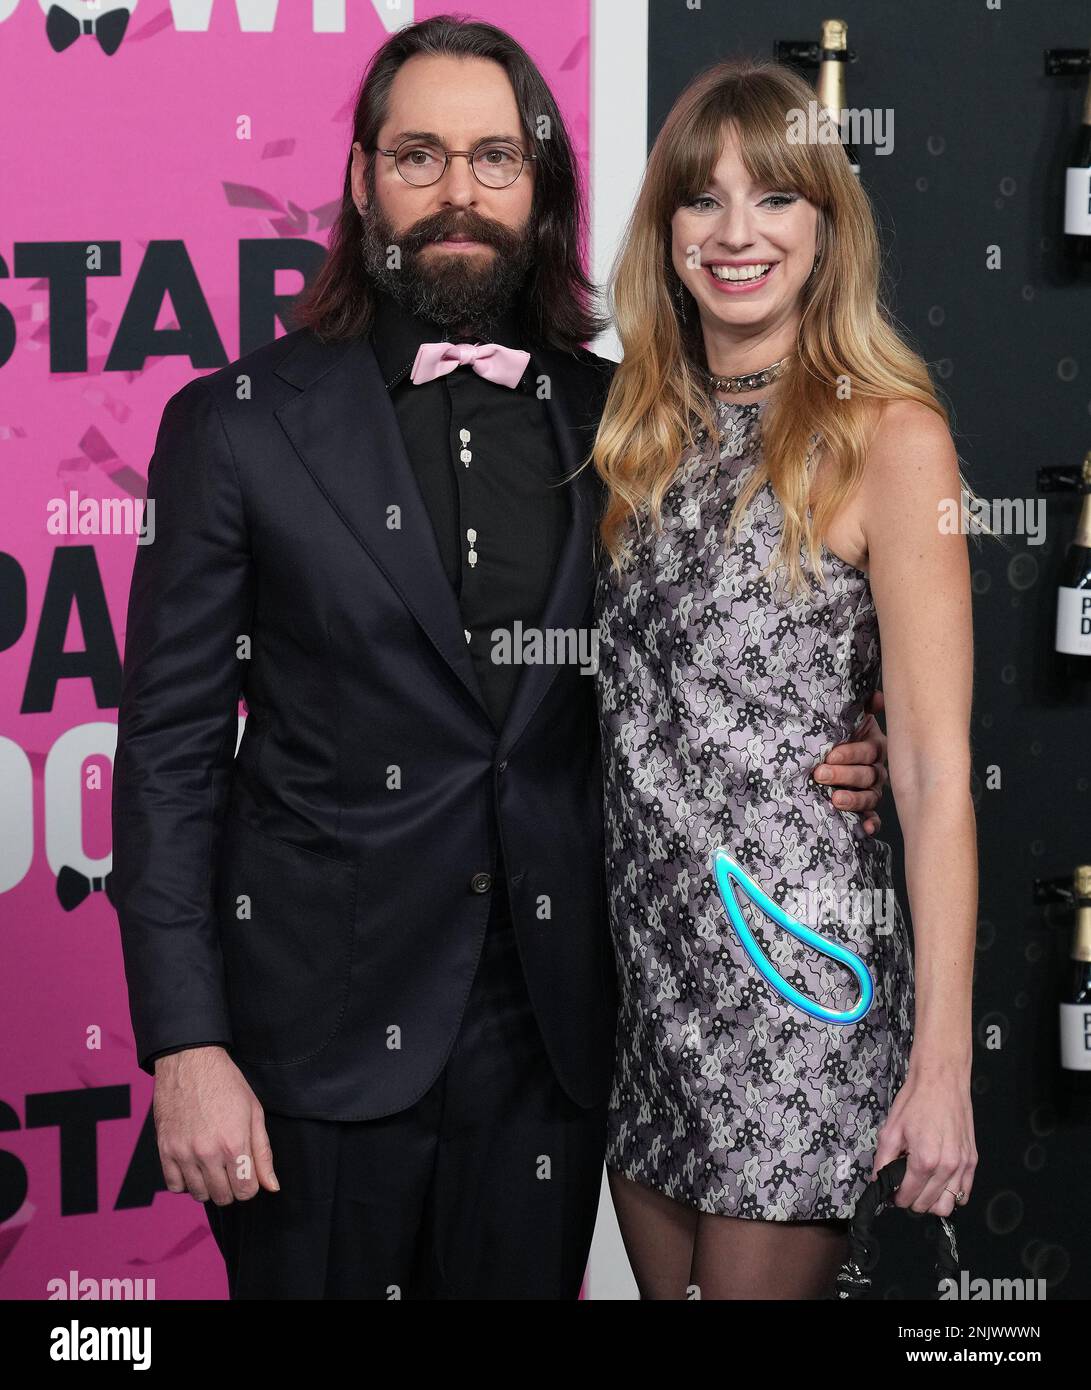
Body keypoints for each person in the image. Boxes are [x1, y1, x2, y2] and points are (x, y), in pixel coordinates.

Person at [112, 19, 886, 1300]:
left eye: (493, 157)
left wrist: (838, 732)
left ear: (541, 195)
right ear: (362, 181)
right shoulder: (234, 427)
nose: (457, 191)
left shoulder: (629, 420)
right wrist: (185, 1043)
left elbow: (715, 650)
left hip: (551, 1046)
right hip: (308, 1050)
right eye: (418, 155)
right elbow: (168, 762)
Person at [592, 59, 978, 1300]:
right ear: (665, 233)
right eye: (700, 202)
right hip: (646, 991)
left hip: (796, 987)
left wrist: (939, 1070)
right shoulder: (633, 431)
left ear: (825, 228)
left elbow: (926, 771)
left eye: (774, 199)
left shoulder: (890, 437)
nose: (736, 233)